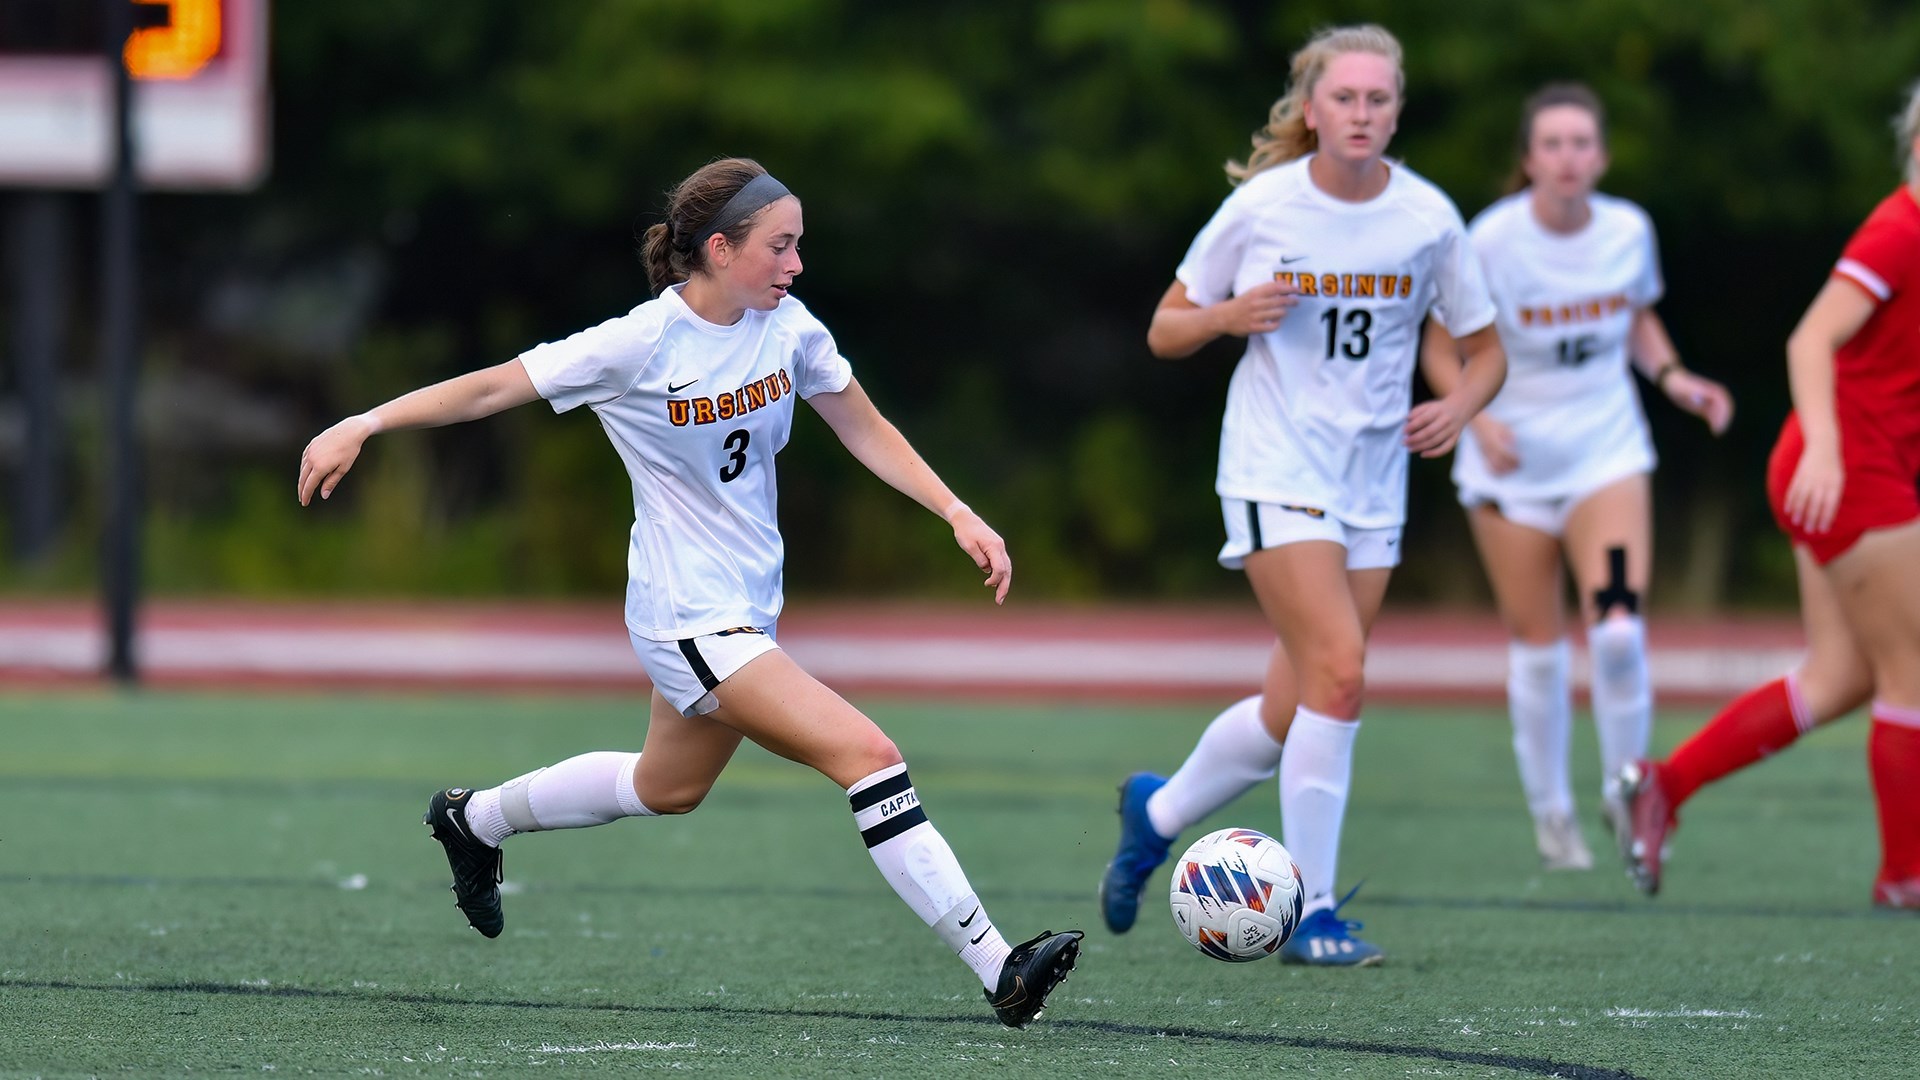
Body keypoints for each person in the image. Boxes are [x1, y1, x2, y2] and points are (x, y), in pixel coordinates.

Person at [296, 158, 1084, 1025]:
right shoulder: (639, 344)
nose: (796, 265)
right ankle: (998, 967)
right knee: (870, 758)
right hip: (686, 618)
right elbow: (493, 387)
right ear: (719, 247)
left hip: (747, 610)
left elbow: (865, 426)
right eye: (780, 247)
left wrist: (955, 510)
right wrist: (364, 422)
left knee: (666, 787)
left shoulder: (790, 331)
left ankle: (474, 821)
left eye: (799, 247)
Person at [1097, 24, 1507, 966]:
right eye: (1345, 98)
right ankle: (1311, 911)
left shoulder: (1429, 220)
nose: (1361, 114)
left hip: (1373, 481)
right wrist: (1230, 316)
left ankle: (1155, 815)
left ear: (1396, 110)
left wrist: (1462, 405)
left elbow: (1486, 353)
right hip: (1275, 467)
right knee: (1341, 672)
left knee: (1300, 704)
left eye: (1378, 99)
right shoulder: (1265, 208)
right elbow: (1166, 329)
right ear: (1311, 109)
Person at [1619, 82, 1920, 908]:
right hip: (1844, 464)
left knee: (1839, 677)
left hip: (1847, 462)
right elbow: (1810, 337)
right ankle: (1904, 875)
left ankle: (1662, 785)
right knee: (1913, 669)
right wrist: (1826, 447)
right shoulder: (1902, 228)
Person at [1418, 84, 1733, 872]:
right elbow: (1437, 342)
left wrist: (1676, 379)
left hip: (1606, 453)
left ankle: (1630, 795)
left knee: (1620, 633)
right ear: (1528, 160)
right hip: (1511, 468)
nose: (1568, 158)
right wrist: (1474, 416)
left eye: (1582, 143)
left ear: (1603, 156)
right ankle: (1551, 814)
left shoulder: (1630, 229)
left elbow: (1638, 319)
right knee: (1540, 645)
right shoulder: (1489, 239)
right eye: (1552, 144)